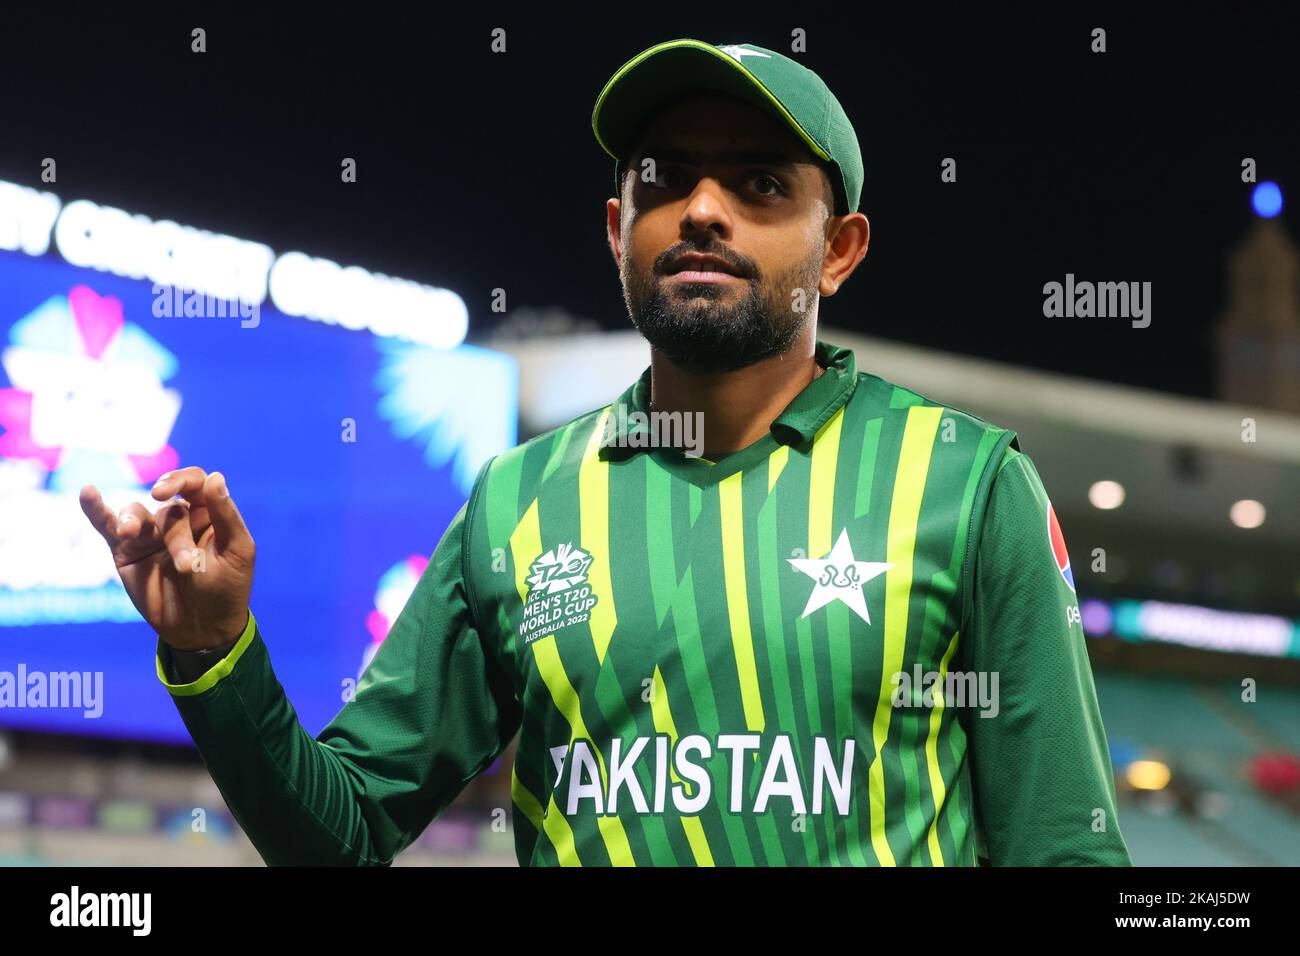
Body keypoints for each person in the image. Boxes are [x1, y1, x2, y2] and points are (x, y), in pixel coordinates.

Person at [79, 38, 1130, 866]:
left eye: (761, 184)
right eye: (667, 179)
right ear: (618, 225)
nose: (704, 209)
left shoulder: (965, 482)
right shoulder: (514, 505)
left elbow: (1065, 848)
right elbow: (340, 834)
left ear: (840, 250)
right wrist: (216, 651)